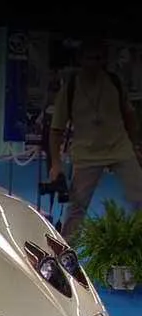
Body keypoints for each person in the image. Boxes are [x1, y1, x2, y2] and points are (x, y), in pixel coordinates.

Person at [49, 37, 142, 241]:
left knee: (140, 197)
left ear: (104, 60)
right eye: (90, 58)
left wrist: (135, 146)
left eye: (99, 58)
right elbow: (56, 130)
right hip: (87, 154)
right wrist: (56, 164)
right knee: (76, 208)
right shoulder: (71, 88)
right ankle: (66, 249)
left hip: (120, 148)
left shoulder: (114, 83)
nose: (94, 63)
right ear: (81, 59)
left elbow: (130, 116)